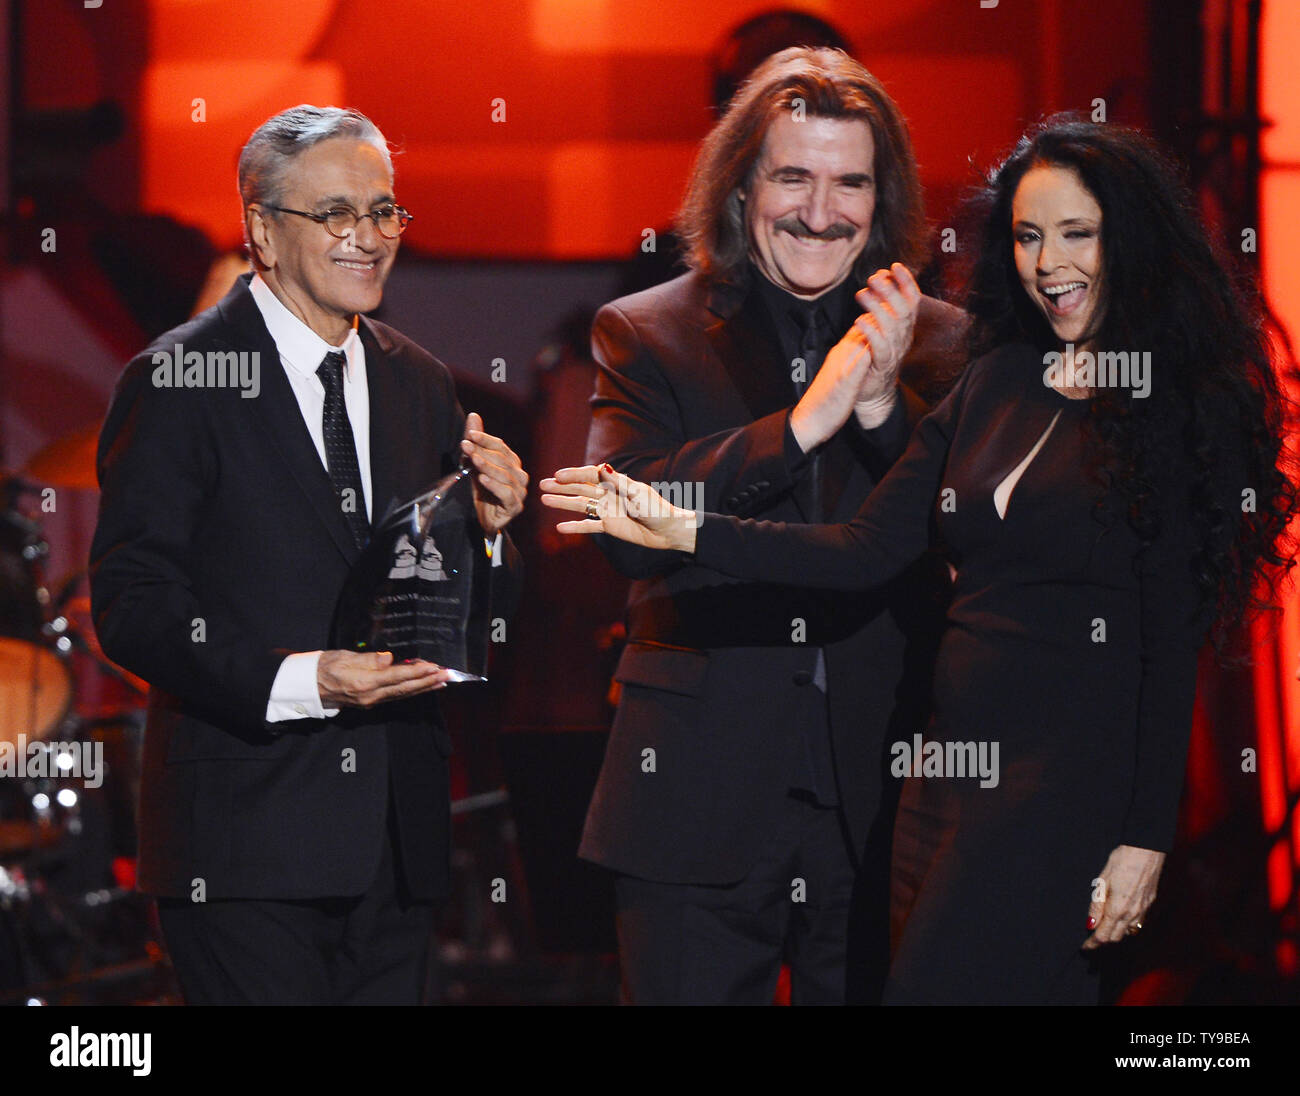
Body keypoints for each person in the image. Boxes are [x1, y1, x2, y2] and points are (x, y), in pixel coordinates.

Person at [543, 117, 1296, 1004]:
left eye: (1076, 233)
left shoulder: (1166, 404)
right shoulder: (999, 377)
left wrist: (1145, 838)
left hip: (1055, 789)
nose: (1047, 261)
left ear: (1128, 239)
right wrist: (689, 530)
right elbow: (864, 549)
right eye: (1025, 234)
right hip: (941, 785)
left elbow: (1168, 650)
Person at [90, 106, 527, 1005]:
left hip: (394, 847)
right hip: (243, 849)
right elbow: (132, 604)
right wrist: (306, 681)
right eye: (335, 214)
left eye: (383, 213)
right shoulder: (180, 380)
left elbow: (467, 613)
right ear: (262, 230)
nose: (367, 239)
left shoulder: (419, 381)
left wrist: (488, 528)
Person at [578, 46, 968, 1005]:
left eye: (851, 184)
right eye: (793, 176)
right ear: (743, 182)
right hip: (693, 792)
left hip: (883, 793)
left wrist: (879, 415)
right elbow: (627, 523)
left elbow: (966, 537)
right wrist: (798, 428)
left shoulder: (947, 342)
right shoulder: (647, 330)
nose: (821, 213)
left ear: (885, 200)